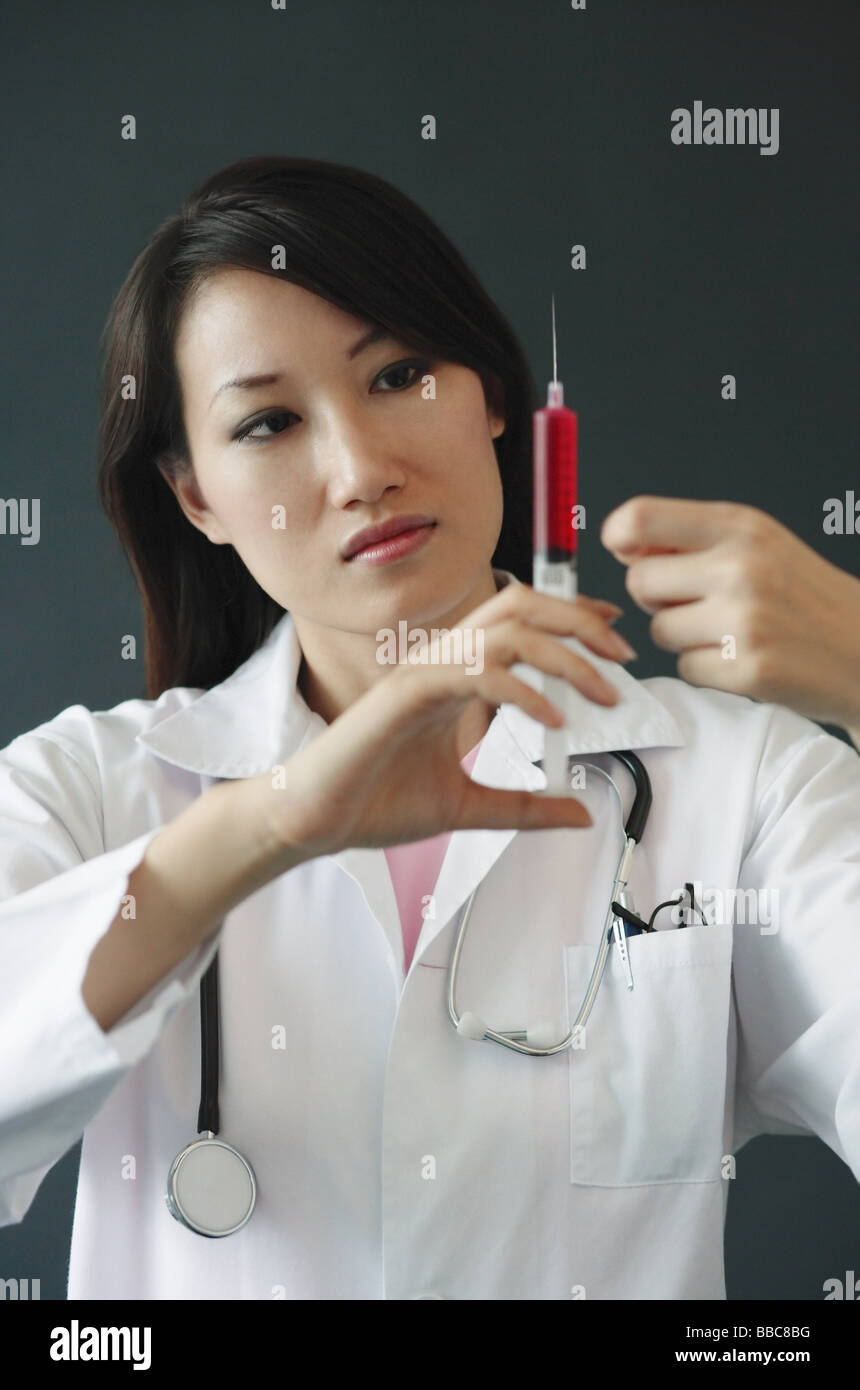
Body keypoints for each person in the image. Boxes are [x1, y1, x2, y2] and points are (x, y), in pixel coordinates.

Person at [0, 155, 858, 1302]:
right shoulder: (85, 789)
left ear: (494, 395)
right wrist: (265, 826)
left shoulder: (744, 786)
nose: (362, 471)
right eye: (264, 422)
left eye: (400, 373)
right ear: (194, 495)